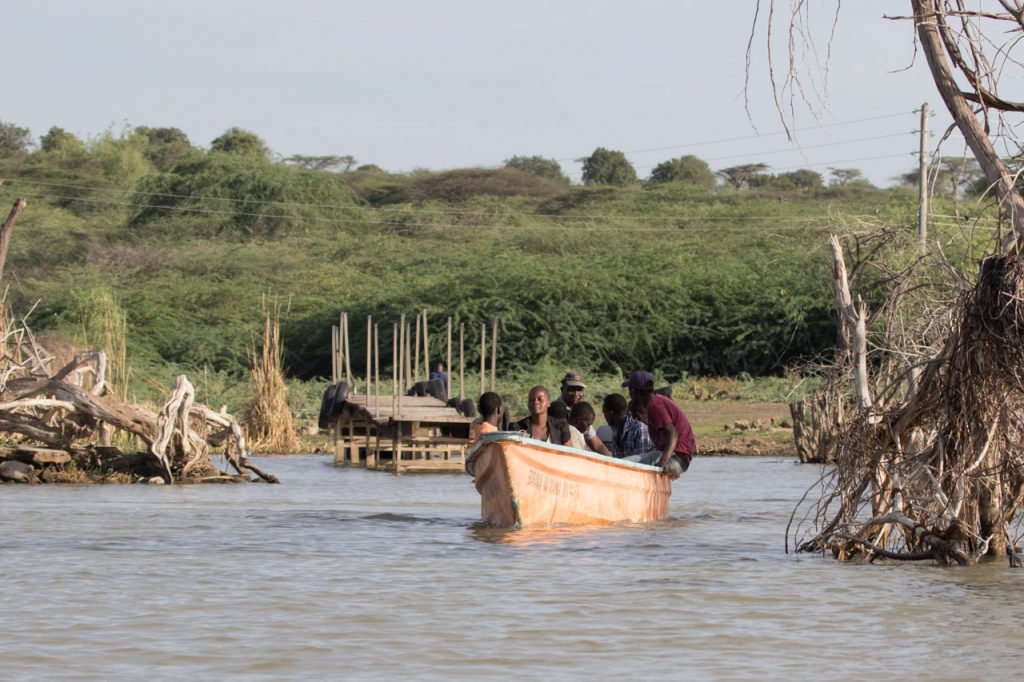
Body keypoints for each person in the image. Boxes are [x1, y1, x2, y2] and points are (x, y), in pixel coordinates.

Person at [621, 370, 696, 477]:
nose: (629, 394)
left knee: (623, 464)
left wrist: (663, 461)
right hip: (680, 457)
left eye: (630, 390)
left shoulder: (655, 405)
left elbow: (673, 433)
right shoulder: (656, 402)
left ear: (635, 392)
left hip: (677, 457)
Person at [601, 393, 655, 458]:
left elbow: (641, 461)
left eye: (604, 412)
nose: (604, 416)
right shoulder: (616, 428)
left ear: (610, 413)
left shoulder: (639, 430)